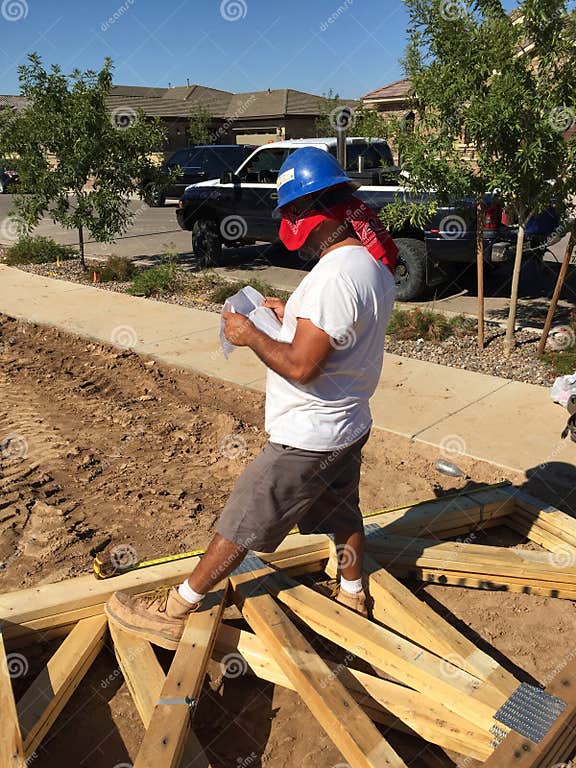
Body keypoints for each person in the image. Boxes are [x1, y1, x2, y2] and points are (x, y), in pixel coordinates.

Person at [105, 147, 397, 650]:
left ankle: (177, 609)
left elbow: (303, 366)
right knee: (343, 511)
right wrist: (292, 318)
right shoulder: (369, 265)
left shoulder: (331, 278)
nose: (288, 225)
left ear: (310, 214)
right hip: (349, 423)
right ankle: (352, 593)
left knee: (242, 520)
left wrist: (250, 334)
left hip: (308, 434)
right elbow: (336, 335)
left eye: (291, 214)